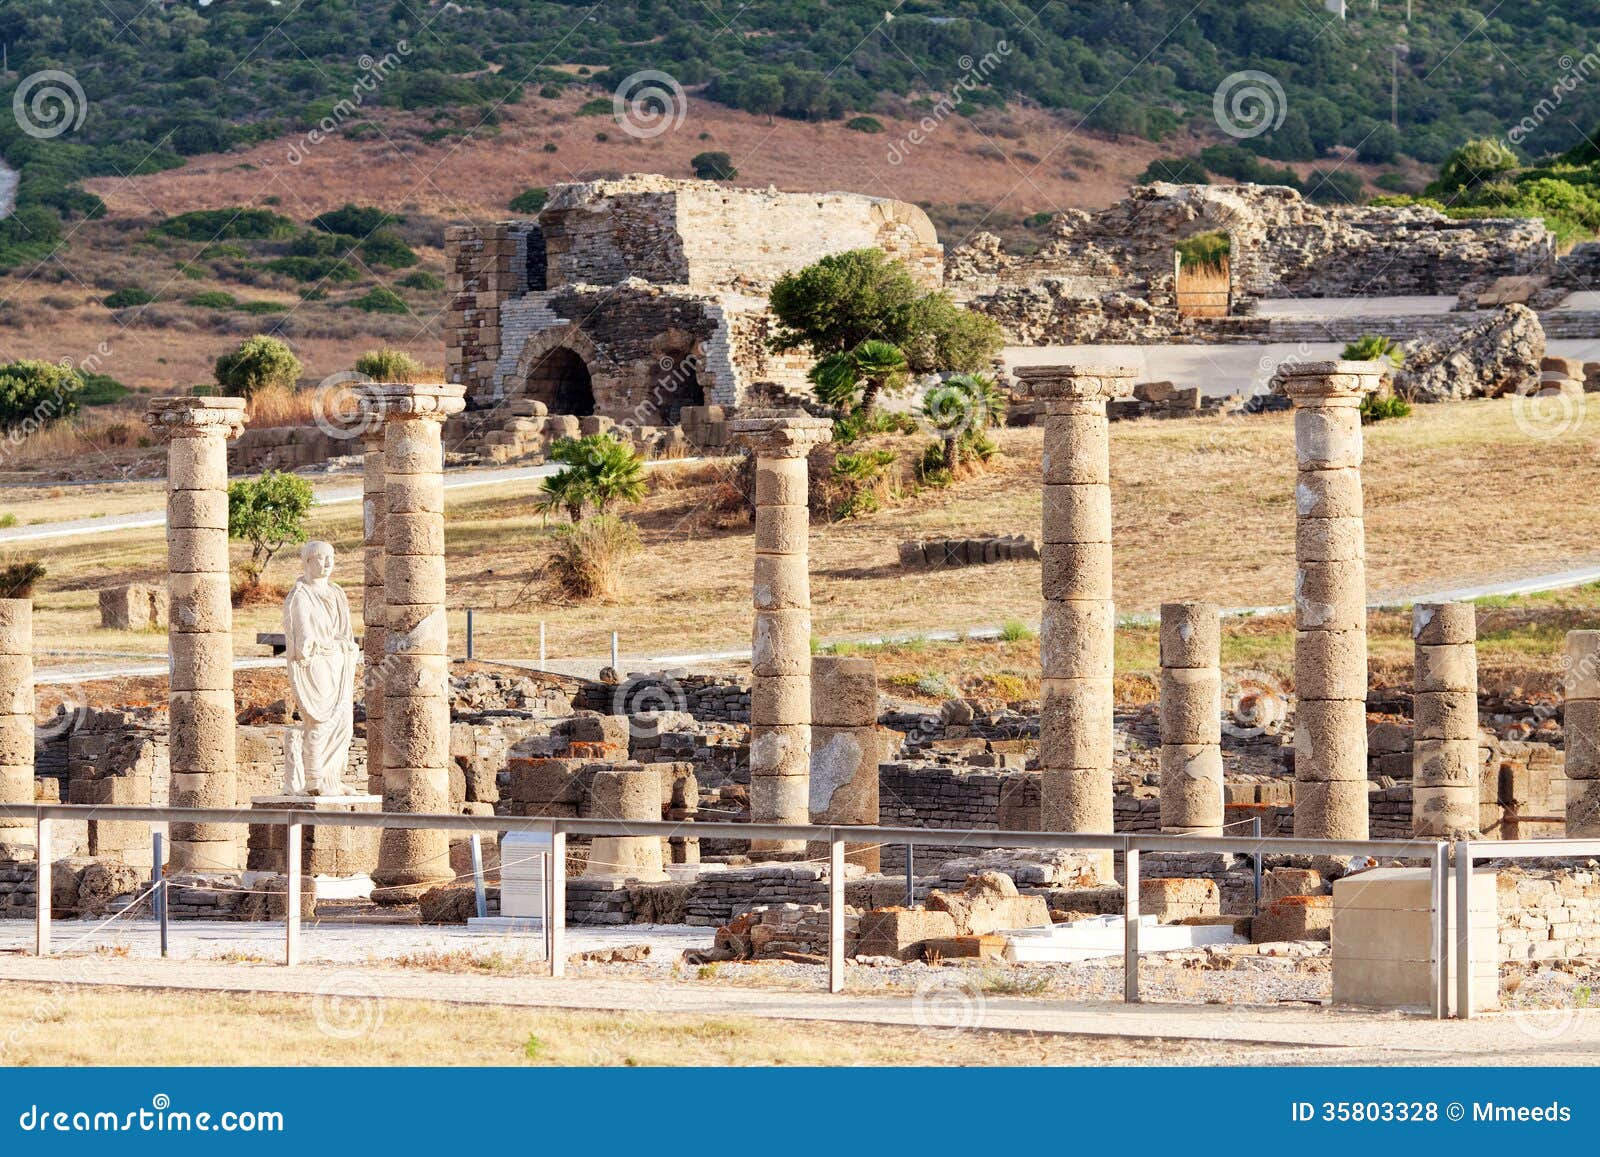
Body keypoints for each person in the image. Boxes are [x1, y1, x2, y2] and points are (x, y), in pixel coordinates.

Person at [282, 540, 359, 795]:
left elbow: (345, 632)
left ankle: (331, 778)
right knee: (319, 720)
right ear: (307, 561)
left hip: (338, 662)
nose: (327, 564)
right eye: (321, 558)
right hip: (315, 663)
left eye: (331, 558)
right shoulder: (300, 595)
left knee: (344, 722)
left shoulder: (337, 593)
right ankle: (314, 780)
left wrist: (346, 646)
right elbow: (303, 638)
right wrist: (324, 645)